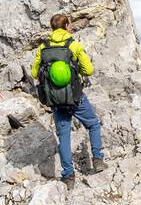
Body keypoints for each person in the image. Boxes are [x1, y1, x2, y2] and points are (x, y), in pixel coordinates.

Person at [31, 13, 106, 184]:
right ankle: (98, 159)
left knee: (63, 136)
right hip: (75, 96)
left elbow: (35, 73)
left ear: (52, 28)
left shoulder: (42, 48)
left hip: (55, 100)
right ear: (66, 26)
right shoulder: (74, 45)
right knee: (93, 124)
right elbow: (89, 70)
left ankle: (68, 175)